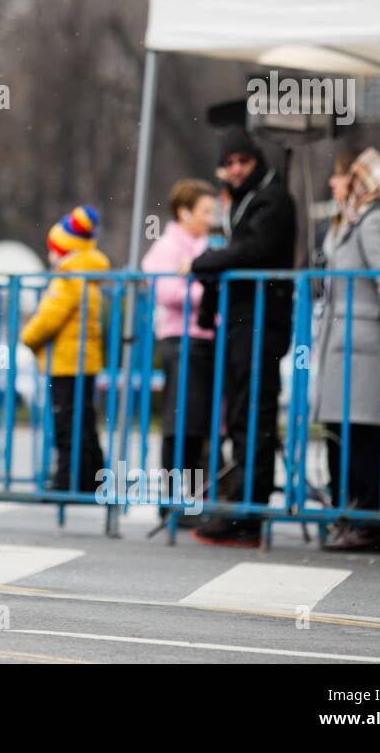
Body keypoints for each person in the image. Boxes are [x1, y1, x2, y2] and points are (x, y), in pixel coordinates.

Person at [186, 127, 297, 545]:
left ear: (256, 162)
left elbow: (255, 250)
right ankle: (243, 504)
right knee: (241, 415)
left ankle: (249, 510)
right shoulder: (250, 198)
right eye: (229, 163)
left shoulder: (272, 199)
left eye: (242, 162)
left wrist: (205, 261)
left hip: (261, 320)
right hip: (243, 320)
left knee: (253, 413)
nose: (235, 170)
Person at [313, 147, 380, 553]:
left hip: (366, 346)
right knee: (340, 431)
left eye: (339, 176)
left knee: (362, 436)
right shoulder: (346, 222)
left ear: (358, 180)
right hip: (343, 344)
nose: (333, 183)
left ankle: (367, 523)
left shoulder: (373, 223)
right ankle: (349, 516)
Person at [142, 180, 217, 521]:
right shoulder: (169, 247)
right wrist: (209, 293)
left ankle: (190, 497)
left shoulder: (205, 245)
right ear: (184, 212)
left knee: (196, 424)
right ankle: (173, 500)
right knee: (180, 421)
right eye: (205, 211)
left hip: (203, 339)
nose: (210, 218)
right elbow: (165, 290)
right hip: (180, 340)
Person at [20, 207, 109, 494]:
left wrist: (27, 337)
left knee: (66, 424)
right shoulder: (87, 275)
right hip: (84, 361)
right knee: (84, 422)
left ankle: (67, 482)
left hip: (66, 362)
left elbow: (48, 318)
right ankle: (92, 479)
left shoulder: (69, 278)